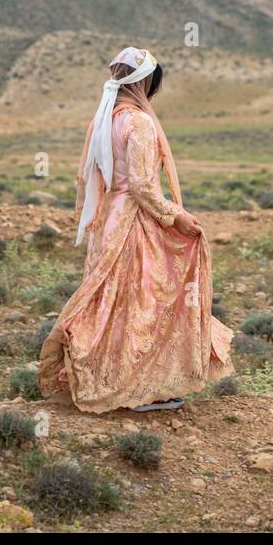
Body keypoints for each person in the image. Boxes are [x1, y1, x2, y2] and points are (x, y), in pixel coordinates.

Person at [38, 46, 232, 412]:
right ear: (144, 82)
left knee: (116, 301)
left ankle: (110, 377)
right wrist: (175, 217)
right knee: (147, 300)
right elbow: (143, 186)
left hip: (109, 218)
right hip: (135, 220)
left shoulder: (104, 119)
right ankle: (142, 387)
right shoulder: (139, 123)